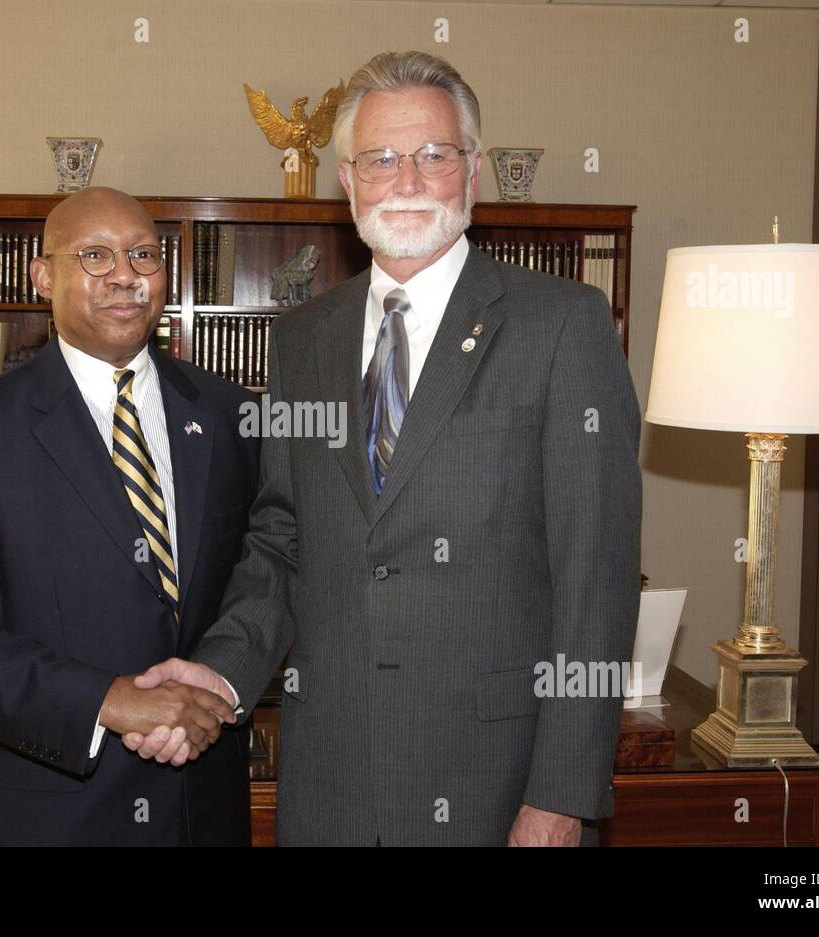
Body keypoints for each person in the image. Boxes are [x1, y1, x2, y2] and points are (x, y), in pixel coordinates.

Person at [127, 51, 643, 846]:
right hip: (331, 781)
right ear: (348, 179)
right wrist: (220, 672)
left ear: (471, 174)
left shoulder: (562, 324)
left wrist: (564, 794)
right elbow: (282, 541)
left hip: (498, 784)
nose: (406, 178)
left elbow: (596, 578)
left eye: (433, 155)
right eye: (381, 159)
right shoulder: (302, 338)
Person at [0, 187, 258, 845]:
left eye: (144, 255)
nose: (126, 275)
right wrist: (106, 701)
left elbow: (265, 572)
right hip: (52, 814)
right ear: (42, 275)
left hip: (204, 806)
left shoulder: (231, 416)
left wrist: (223, 683)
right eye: (95, 255)